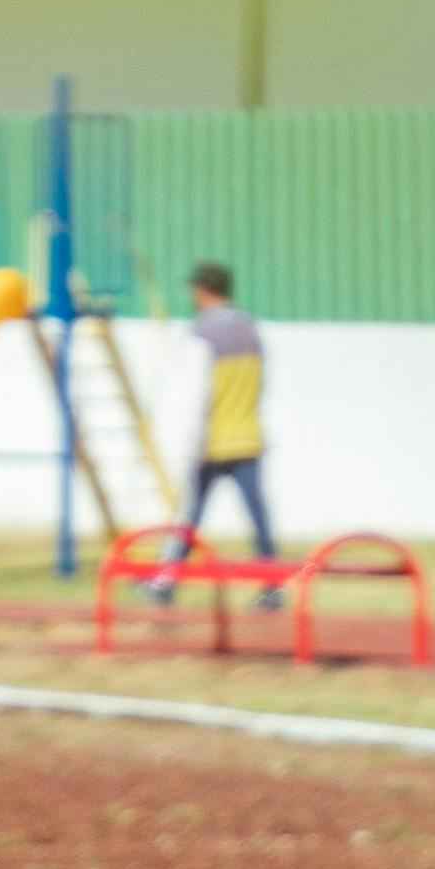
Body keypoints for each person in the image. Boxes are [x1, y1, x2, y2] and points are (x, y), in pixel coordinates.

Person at [151, 260, 281, 608]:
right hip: (248, 436)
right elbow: (260, 383)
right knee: (258, 516)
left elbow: (196, 395)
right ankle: (273, 587)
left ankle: (165, 582)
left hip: (212, 441)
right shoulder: (250, 329)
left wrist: (190, 443)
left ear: (202, 291)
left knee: (189, 514)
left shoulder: (203, 334)